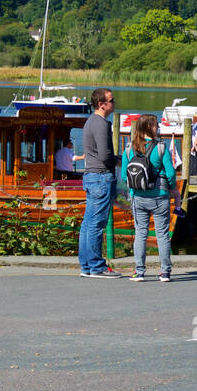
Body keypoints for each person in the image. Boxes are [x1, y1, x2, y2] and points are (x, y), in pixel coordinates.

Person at [121, 113, 175, 283]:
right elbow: (171, 173)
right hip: (159, 196)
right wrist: (171, 187)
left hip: (138, 197)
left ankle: (139, 272)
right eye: (156, 124)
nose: (158, 127)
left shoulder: (129, 149)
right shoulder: (160, 148)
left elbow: (124, 176)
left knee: (141, 234)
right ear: (150, 127)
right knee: (162, 235)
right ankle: (165, 272)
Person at [78, 86, 119, 278]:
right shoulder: (102, 124)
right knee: (96, 223)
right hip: (101, 176)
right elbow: (104, 155)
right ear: (102, 105)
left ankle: (86, 265)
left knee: (88, 223)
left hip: (91, 176)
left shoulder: (90, 121)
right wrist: (118, 160)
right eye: (111, 101)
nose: (114, 103)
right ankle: (96, 266)